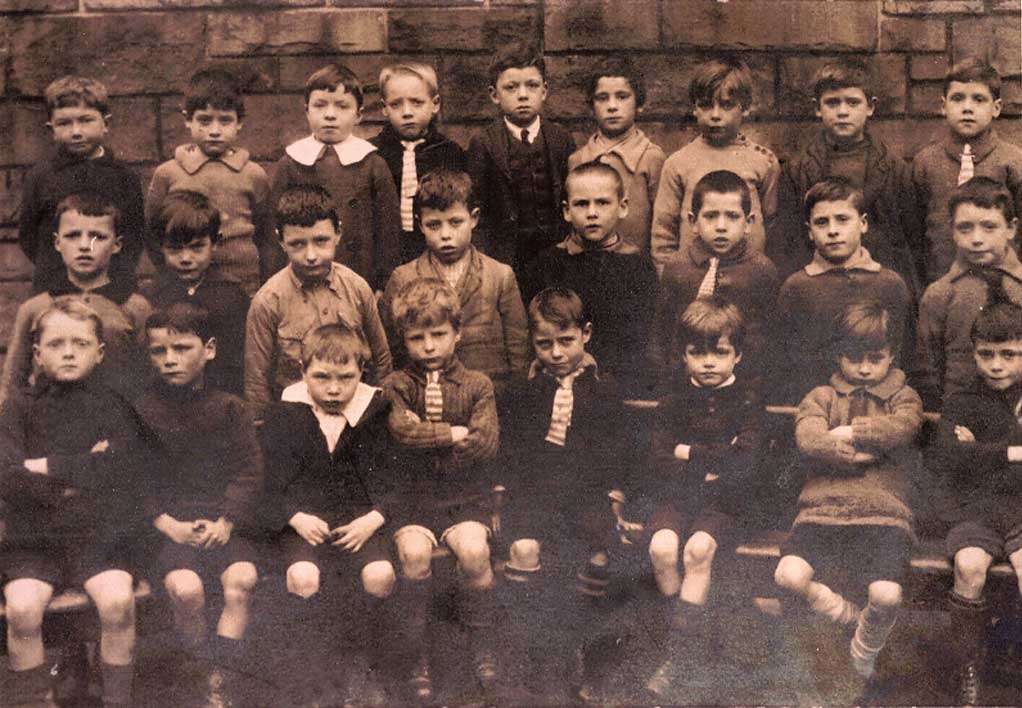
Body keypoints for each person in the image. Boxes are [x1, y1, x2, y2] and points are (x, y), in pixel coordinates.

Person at [0, 300, 149, 707]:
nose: (68, 352)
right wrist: (79, 477)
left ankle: (116, 700)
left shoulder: (113, 406)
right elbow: (8, 475)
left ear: (99, 352)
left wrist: (46, 466)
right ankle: (37, 701)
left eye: (80, 343)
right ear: (37, 353)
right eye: (57, 343)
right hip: (34, 538)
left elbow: (122, 469)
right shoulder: (17, 408)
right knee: (23, 609)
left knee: (117, 602)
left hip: (97, 536)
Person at [774, 302, 923, 689]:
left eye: (875, 358)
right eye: (853, 357)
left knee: (886, 595)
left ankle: (863, 652)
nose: (864, 368)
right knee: (788, 576)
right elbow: (809, 438)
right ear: (837, 353)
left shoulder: (904, 396)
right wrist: (858, 450)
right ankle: (843, 614)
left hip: (883, 513)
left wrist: (843, 434)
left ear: (891, 354)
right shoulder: (821, 395)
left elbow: (902, 428)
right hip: (822, 509)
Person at [497, 287, 634, 703]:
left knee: (601, 559)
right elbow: (512, 450)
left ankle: (595, 662)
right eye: (544, 344)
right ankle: (536, 660)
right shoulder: (523, 393)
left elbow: (618, 450)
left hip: (585, 497)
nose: (555, 353)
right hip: (536, 495)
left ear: (586, 334)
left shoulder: (603, 390)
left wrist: (616, 496)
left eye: (565, 341)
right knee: (523, 549)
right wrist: (502, 495)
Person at [260, 323, 399, 706]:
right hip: (305, 528)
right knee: (304, 576)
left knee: (379, 574)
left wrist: (374, 518)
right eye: (321, 377)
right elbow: (266, 481)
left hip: (360, 527)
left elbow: (396, 478)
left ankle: (364, 669)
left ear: (361, 374)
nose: (334, 389)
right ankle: (312, 681)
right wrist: (294, 516)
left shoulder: (376, 413)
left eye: (345, 378)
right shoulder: (287, 415)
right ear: (303, 372)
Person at [382, 278, 501, 703]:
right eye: (417, 337)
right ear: (404, 339)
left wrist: (428, 442)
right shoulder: (397, 385)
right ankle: (418, 655)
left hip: (463, 500)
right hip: (413, 503)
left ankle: (482, 642)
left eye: (438, 334)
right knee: (414, 556)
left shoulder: (477, 385)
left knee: (473, 552)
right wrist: (452, 434)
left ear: (458, 332)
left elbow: (484, 444)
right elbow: (399, 435)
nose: (429, 346)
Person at [137, 302, 262, 703]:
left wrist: (227, 520)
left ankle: (220, 680)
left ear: (208, 349)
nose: (170, 360)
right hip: (168, 530)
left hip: (222, 526)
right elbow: (132, 478)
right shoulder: (141, 412)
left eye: (182, 348)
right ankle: (196, 669)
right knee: (187, 589)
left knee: (241, 579)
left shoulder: (230, 408)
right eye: (159, 351)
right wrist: (167, 524)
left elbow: (249, 470)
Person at [642, 297, 765, 698]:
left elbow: (744, 463)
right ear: (684, 355)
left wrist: (686, 450)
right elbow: (658, 458)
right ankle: (687, 637)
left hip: (724, 504)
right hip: (677, 498)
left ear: (738, 355)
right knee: (662, 548)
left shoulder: (747, 400)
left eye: (720, 352)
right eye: (698, 353)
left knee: (696, 551)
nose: (709, 362)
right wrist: (710, 456)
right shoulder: (673, 398)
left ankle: (679, 656)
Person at [930, 302, 1022, 706]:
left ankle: (1009, 645)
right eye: (987, 354)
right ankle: (969, 665)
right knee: (969, 566)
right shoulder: (962, 400)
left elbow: (970, 457)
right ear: (974, 353)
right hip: (976, 509)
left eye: (1010, 354)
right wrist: (1013, 451)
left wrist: (979, 450)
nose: (997, 365)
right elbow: (948, 458)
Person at [771, 59, 923, 295]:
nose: (843, 112)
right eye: (832, 103)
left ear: (870, 107)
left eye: (852, 102)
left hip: (878, 284)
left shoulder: (895, 168)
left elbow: (909, 240)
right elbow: (788, 242)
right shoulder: (797, 170)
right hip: (819, 285)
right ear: (817, 108)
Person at [245, 184, 391, 419]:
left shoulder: (357, 288)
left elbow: (381, 358)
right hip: (297, 419)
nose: (311, 255)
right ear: (281, 241)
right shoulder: (268, 301)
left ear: (338, 234)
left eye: (320, 241)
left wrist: (380, 413)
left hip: (356, 414)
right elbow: (256, 380)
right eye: (298, 244)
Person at [381, 169, 528, 394]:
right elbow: (392, 348)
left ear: (474, 218)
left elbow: (518, 349)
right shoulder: (403, 278)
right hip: (424, 396)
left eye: (455, 222)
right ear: (420, 225)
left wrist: (515, 393)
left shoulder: (499, 275)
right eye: (434, 225)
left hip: (489, 393)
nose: (446, 234)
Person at [0, 192, 152, 408]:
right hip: (49, 424)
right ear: (57, 242)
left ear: (117, 244)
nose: (84, 246)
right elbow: (13, 383)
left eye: (97, 237)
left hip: (115, 424)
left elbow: (149, 379)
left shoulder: (134, 307)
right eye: (72, 235)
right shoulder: (35, 308)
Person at [524, 160, 656, 396]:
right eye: (582, 204)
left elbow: (640, 336)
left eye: (603, 203)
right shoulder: (547, 264)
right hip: (557, 377)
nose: (592, 213)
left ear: (623, 207)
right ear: (567, 211)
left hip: (617, 384)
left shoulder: (638, 265)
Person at [775, 178, 910, 405]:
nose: (833, 231)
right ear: (809, 231)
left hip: (879, 407)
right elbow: (784, 361)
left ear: (863, 223)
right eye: (822, 223)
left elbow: (902, 354)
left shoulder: (890, 284)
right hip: (814, 408)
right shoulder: (797, 287)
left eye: (842, 220)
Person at [269, 62, 401, 291]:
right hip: (301, 276)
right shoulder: (291, 163)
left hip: (359, 277)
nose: (330, 115)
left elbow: (388, 232)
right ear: (307, 111)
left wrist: (382, 284)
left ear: (358, 114)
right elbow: (274, 233)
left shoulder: (372, 164)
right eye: (320, 106)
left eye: (342, 106)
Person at [145, 67, 273, 295]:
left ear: (239, 122)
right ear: (187, 120)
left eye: (225, 121)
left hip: (243, 286)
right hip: (183, 285)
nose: (215, 131)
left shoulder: (254, 174)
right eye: (204, 120)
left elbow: (266, 235)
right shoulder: (168, 173)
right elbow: (152, 231)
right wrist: (170, 270)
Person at [650, 169, 779, 388]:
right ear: (693, 221)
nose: (721, 226)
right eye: (710, 216)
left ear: (748, 223)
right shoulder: (677, 267)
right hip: (684, 383)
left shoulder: (761, 271)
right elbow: (663, 331)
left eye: (732, 216)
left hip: (743, 386)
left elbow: (769, 338)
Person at [650, 56, 779, 274]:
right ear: (695, 109)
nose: (716, 115)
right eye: (706, 105)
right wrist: (672, 278)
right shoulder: (678, 163)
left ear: (745, 108)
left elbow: (772, 225)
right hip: (692, 278)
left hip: (746, 277)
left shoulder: (763, 161)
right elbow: (663, 232)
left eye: (727, 105)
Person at [17, 75, 145, 293]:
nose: (76, 132)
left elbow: (134, 235)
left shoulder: (124, 177)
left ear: (105, 123)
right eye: (64, 123)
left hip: (112, 285)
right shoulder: (41, 176)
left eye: (86, 120)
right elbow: (28, 236)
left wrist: (112, 276)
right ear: (52, 129)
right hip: (55, 285)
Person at [467, 41, 576, 278]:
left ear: (544, 91)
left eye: (532, 85)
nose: (523, 95)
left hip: (555, 250)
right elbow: (477, 208)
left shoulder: (561, 140)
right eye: (511, 88)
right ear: (494, 95)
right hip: (506, 256)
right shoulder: (483, 143)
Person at [912, 57, 1022, 284]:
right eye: (958, 99)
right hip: (939, 280)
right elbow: (914, 230)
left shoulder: (1013, 162)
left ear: (996, 108)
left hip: (1001, 284)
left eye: (979, 99)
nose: (967, 108)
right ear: (943, 106)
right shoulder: (925, 162)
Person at [917, 177, 1022, 409]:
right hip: (962, 419)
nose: (976, 239)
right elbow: (929, 371)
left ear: (1011, 228)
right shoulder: (940, 295)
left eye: (989, 227)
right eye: (965, 228)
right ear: (952, 231)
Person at [142, 190, 249, 396]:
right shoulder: (152, 296)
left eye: (197, 247)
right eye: (175, 249)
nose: (186, 258)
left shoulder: (231, 296)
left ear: (215, 243)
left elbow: (238, 364)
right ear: (160, 247)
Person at [370, 62, 467, 264]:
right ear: (384, 108)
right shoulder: (372, 154)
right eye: (396, 104)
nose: (407, 112)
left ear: (435, 104)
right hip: (387, 250)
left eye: (416, 102)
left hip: (438, 248)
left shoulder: (449, 152)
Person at [568, 57, 665, 257]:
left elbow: (662, 225)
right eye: (602, 98)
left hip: (636, 267)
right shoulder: (578, 160)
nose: (612, 106)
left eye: (622, 97)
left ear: (639, 104)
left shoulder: (651, 158)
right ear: (591, 106)